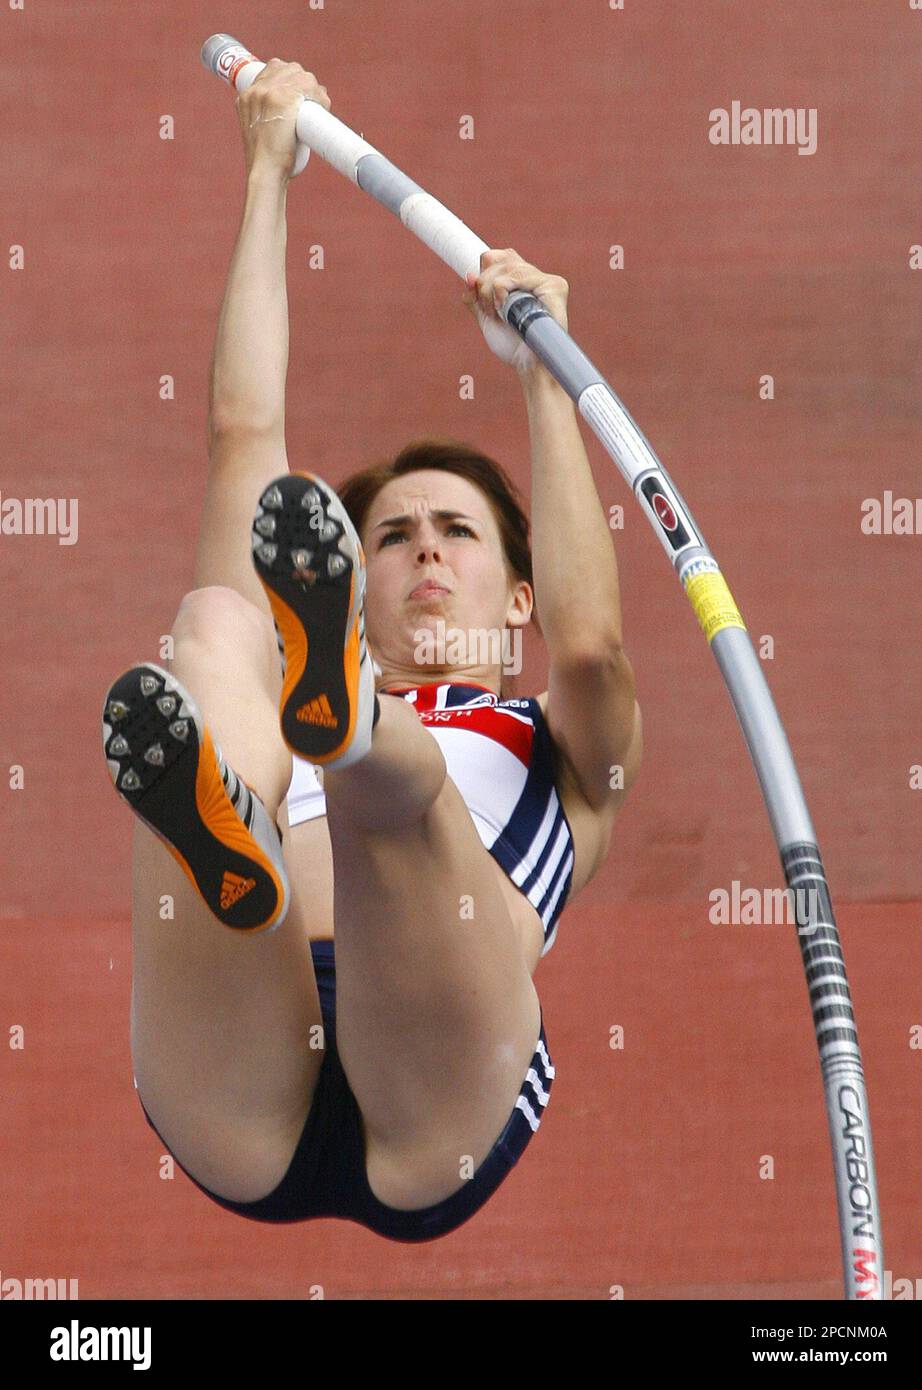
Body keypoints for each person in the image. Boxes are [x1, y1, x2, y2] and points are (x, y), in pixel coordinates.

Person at [100, 59, 642, 1242]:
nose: (423, 554)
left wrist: (547, 384)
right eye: (391, 535)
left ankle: (345, 730)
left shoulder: (559, 751)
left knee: (388, 786)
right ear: (355, 575)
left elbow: (592, 646)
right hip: (240, 1058)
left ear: (516, 603)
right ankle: (239, 815)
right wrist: (266, 170)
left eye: (456, 532)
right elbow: (244, 428)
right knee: (214, 626)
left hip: (436, 1089)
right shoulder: (276, 667)